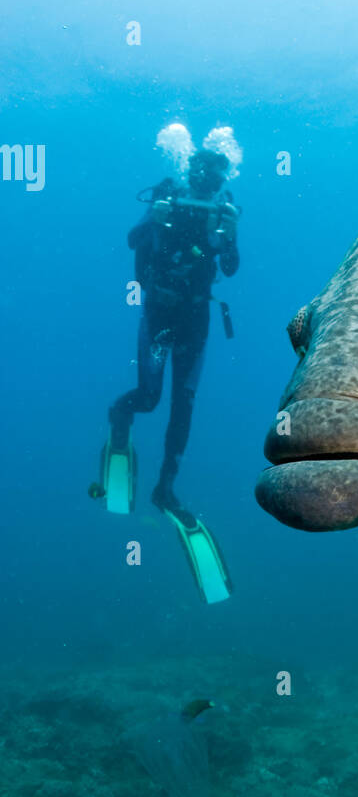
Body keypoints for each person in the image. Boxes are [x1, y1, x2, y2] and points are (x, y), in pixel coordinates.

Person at [108, 147, 240, 519]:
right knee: (149, 398)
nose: (208, 182)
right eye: (204, 173)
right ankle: (120, 412)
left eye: (216, 178)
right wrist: (155, 218)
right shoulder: (166, 194)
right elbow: (133, 240)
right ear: (191, 169)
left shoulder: (220, 210)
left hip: (196, 319)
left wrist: (229, 235)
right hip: (159, 313)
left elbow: (230, 268)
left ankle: (166, 487)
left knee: (184, 404)